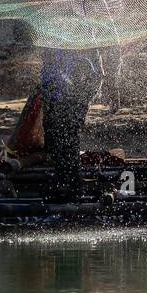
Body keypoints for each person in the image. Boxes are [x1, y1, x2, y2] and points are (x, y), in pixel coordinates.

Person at [39, 49, 104, 201]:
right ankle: (64, 181)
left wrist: (76, 97)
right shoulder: (52, 51)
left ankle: (72, 184)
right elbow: (47, 76)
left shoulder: (84, 53)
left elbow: (91, 79)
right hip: (55, 100)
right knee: (54, 138)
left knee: (67, 136)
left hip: (73, 101)